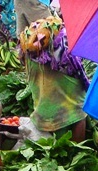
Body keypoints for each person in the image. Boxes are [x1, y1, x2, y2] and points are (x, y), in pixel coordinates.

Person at [17, 14, 88, 142]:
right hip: (67, 112)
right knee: (79, 109)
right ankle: (76, 150)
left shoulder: (29, 47)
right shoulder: (68, 42)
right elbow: (80, 73)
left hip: (42, 115)